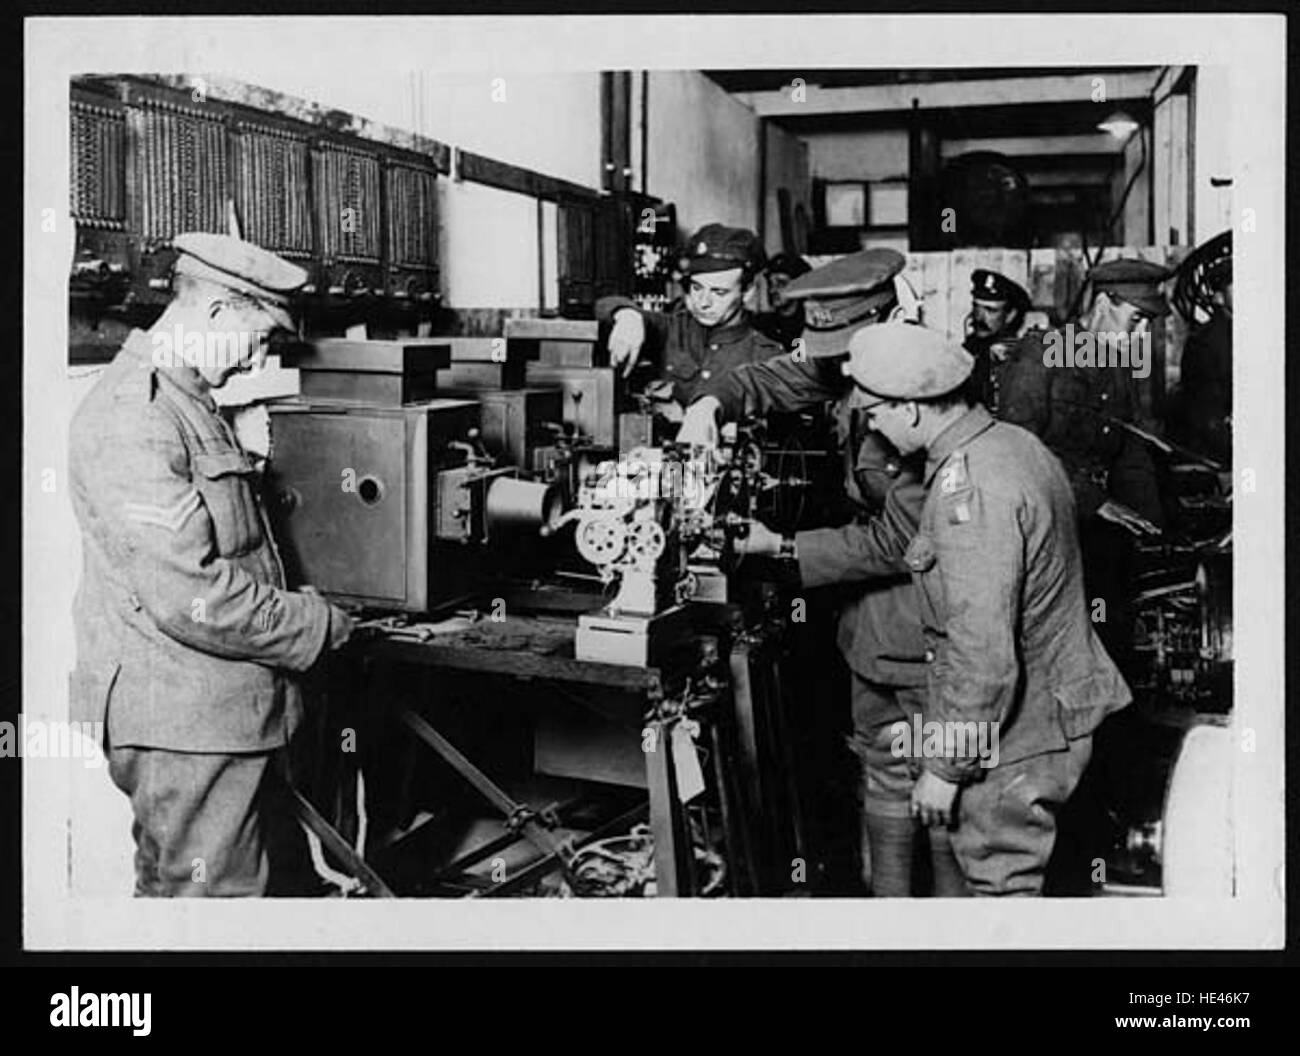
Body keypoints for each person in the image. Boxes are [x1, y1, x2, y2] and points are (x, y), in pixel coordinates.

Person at [69, 231, 356, 897]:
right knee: (209, 910)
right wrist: (314, 626)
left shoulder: (185, 402)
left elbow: (236, 555)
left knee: (207, 903)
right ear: (219, 313)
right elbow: (190, 594)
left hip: (219, 713)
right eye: (258, 337)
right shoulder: (132, 418)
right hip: (185, 722)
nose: (257, 357)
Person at [679, 249, 968, 897]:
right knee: (885, 772)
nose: (837, 367)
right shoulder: (855, 363)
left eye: (846, 350)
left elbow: (902, 540)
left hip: (932, 627)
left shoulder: (922, 385)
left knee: (946, 786)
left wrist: (779, 548)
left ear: (891, 320)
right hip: (873, 626)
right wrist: (709, 406)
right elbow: (773, 378)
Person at [826, 321, 1132, 896]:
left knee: (1000, 895)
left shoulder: (970, 491)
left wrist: (944, 769)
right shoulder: (1011, 443)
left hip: (1021, 733)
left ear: (911, 410)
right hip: (1047, 710)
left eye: (877, 414)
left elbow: (981, 651)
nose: (874, 427)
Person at [998, 258, 1168, 663]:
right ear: (1105, 303)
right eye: (1137, 320)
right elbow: (1015, 444)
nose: (1142, 334)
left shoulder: (1116, 364)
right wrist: (1093, 500)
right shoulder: (1042, 353)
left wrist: (1154, 526)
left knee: (1110, 632)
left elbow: (1127, 449)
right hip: (1048, 522)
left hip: (1099, 527)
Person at [597, 223, 785, 414]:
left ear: (747, 292)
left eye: (719, 292)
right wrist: (628, 316)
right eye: (697, 288)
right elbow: (602, 305)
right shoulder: (672, 329)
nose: (703, 302)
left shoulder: (766, 357)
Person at [963, 267, 1030, 414]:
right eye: (976, 307)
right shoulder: (968, 351)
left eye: (990, 310)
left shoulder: (1016, 356)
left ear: (1010, 315)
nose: (979, 317)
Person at [753, 252, 812, 351]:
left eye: (781, 283)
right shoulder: (764, 325)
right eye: (770, 283)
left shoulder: (811, 324)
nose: (772, 290)